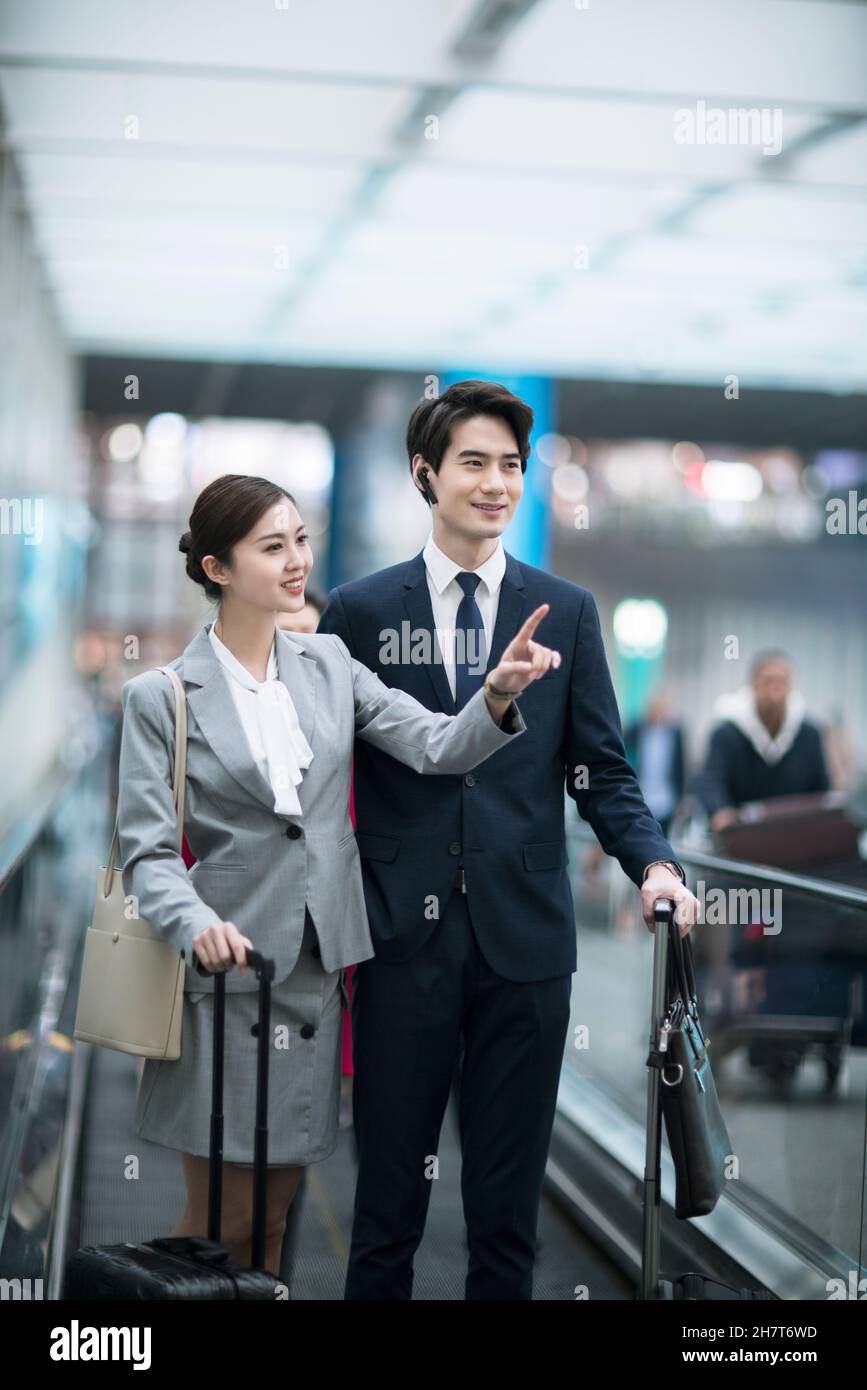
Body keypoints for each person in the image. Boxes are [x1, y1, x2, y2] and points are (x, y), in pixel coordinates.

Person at [117, 471, 559, 1277]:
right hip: (223, 974)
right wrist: (194, 926)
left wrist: (494, 695)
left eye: (300, 540)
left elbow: (431, 744)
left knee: (276, 1218)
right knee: (222, 1219)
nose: (295, 561)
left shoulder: (327, 663)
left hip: (317, 977)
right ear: (217, 568)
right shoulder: (163, 696)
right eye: (271, 546)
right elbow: (147, 851)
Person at [318, 379, 701, 1300]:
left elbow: (601, 771)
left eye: (512, 467)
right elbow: (328, 780)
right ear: (425, 474)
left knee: (505, 1217)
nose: (497, 483)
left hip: (525, 946)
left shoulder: (564, 609)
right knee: (384, 1215)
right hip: (400, 944)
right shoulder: (362, 612)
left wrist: (654, 864)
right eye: (475, 463)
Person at [690, 651, 830, 831]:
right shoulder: (728, 733)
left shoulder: (809, 734)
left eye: (782, 682)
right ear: (753, 685)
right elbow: (711, 779)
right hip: (740, 833)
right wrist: (720, 811)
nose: (775, 690)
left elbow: (821, 787)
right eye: (768, 682)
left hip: (794, 833)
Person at [623, 691, 685, 838]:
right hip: (642, 797)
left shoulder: (675, 733)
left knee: (663, 840)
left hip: (666, 801)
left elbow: (681, 767)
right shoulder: (636, 730)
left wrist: (681, 797)